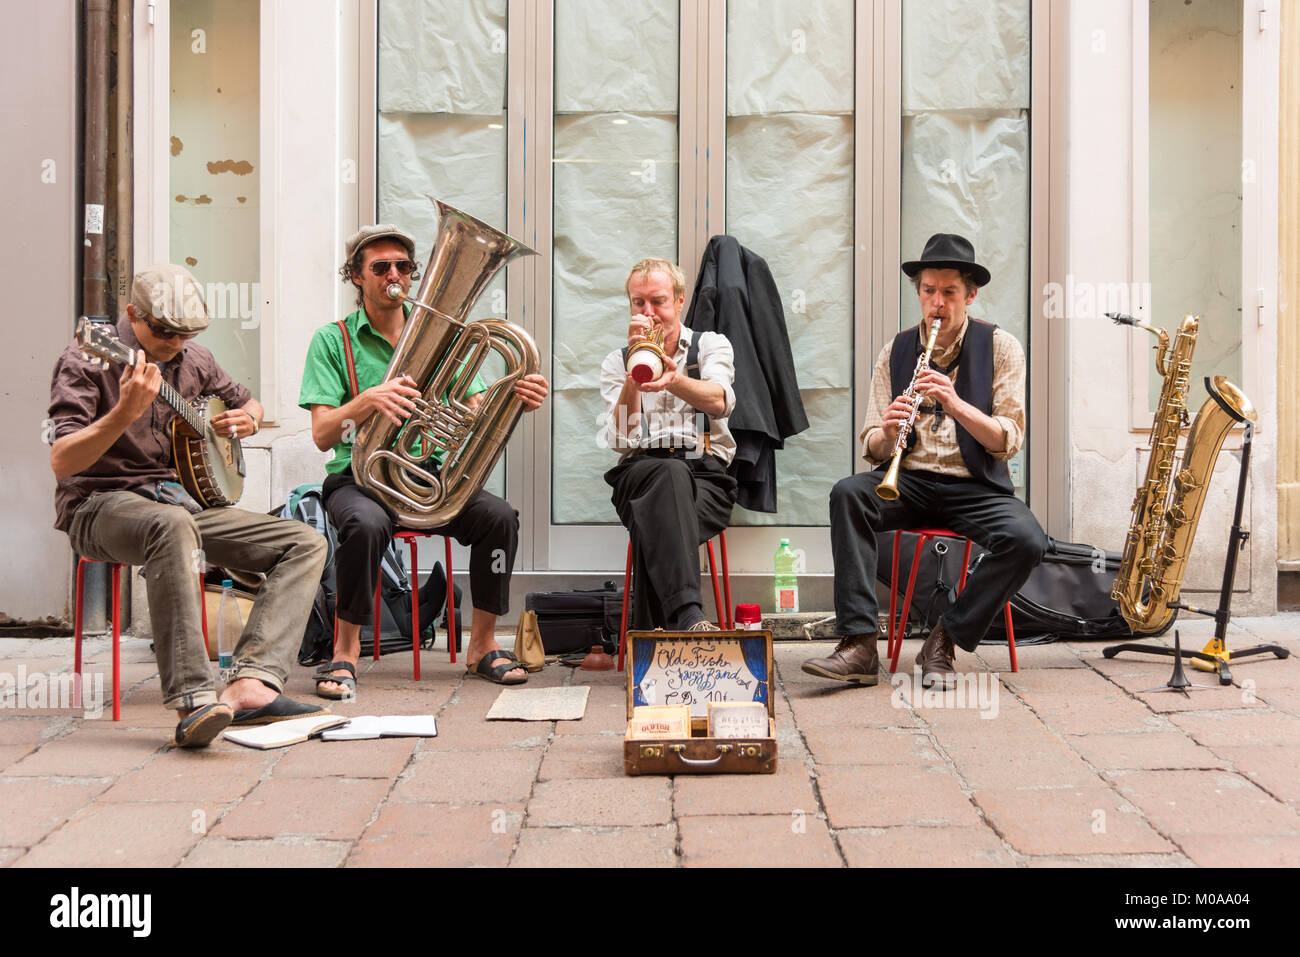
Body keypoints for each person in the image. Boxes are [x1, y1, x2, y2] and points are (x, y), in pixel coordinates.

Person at [48, 264, 330, 747]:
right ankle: (195, 701)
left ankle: (252, 684)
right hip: (100, 506)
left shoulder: (195, 358)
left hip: (181, 506)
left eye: (186, 333)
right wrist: (123, 413)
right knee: (172, 525)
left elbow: (249, 404)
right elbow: (61, 460)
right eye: (163, 331)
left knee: (305, 542)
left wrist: (246, 420)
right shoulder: (87, 360)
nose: (174, 342)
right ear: (132, 315)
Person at [300, 225, 549, 694]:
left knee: (499, 517)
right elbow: (322, 433)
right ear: (356, 276)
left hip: (426, 478)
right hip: (359, 478)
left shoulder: (441, 334)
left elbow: (471, 407)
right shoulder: (332, 341)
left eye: (403, 266)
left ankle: (481, 645)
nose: (394, 275)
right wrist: (368, 400)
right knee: (366, 525)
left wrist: (511, 397)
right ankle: (345, 652)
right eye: (380, 267)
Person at [802, 234, 1047, 689]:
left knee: (1028, 540)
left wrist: (956, 405)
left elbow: (1007, 440)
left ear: (970, 295)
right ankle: (858, 643)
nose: (937, 303)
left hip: (975, 485)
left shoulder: (1001, 348)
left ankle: (947, 638)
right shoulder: (894, 351)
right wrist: (889, 433)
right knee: (848, 494)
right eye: (929, 291)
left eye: (949, 292)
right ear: (918, 293)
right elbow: (870, 443)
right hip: (909, 480)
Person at [600, 258, 738, 632]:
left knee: (662, 508)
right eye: (638, 303)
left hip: (705, 475)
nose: (649, 313)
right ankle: (690, 617)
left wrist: (674, 381)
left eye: (658, 301)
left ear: (680, 300)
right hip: (640, 474)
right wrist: (633, 374)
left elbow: (720, 401)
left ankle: (654, 639)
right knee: (665, 476)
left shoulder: (709, 345)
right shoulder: (616, 360)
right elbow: (621, 440)